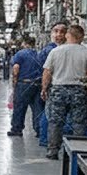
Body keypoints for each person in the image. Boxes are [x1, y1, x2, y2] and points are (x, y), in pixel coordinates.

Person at [42, 23, 87, 160]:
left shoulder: (56, 51)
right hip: (78, 90)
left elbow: (47, 72)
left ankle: (52, 151)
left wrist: (44, 89)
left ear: (68, 35)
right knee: (78, 122)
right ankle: (77, 151)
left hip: (58, 90)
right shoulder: (85, 51)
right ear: (80, 37)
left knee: (55, 122)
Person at [37, 20, 68, 149]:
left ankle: (49, 138)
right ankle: (45, 138)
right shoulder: (49, 50)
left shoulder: (64, 49)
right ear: (51, 33)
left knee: (52, 114)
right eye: (56, 31)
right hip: (54, 86)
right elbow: (45, 71)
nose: (59, 35)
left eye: (62, 32)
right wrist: (45, 87)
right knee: (49, 114)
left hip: (60, 86)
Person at [8, 35, 44, 138]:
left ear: (24, 43)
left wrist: (14, 83)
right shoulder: (39, 54)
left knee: (19, 107)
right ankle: (39, 130)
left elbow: (16, 68)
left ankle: (16, 129)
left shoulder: (20, 54)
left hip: (24, 84)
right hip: (37, 84)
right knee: (37, 108)